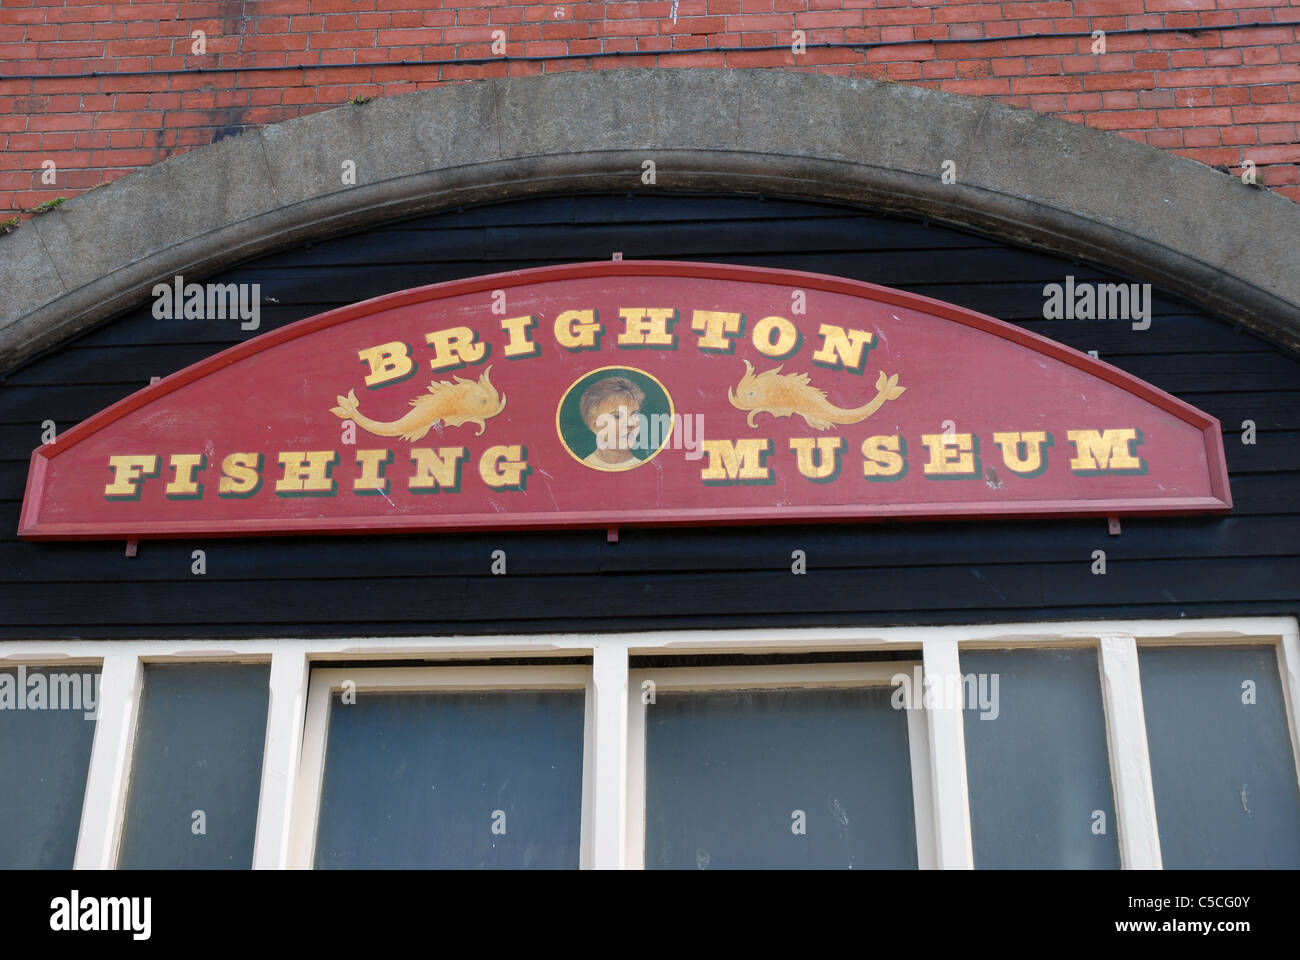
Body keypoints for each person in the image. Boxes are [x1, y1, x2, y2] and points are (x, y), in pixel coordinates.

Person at [579, 376, 645, 471]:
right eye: (617, 416)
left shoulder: (646, 469)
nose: (630, 423)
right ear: (595, 426)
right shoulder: (580, 469)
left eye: (634, 414)